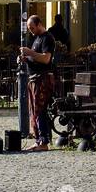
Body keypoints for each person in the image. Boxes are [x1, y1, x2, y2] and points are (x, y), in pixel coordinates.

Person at [19, 14, 56, 151]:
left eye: (32, 28)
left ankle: (44, 141)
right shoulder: (36, 39)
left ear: (39, 24)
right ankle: (38, 139)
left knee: (40, 109)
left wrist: (30, 52)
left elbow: (46, 59)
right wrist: (26, 59)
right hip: (34, 78)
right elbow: (36, 59)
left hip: (43, 79)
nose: (31, 31)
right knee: (34, 111)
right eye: (29, 29)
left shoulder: (47, 38)